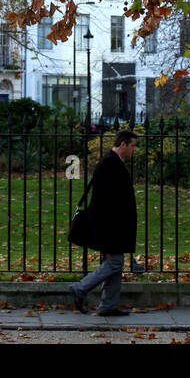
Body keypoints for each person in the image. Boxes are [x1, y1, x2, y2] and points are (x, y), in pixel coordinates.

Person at [69, 129, 138, 316]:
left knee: (117, 262)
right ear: (123, 144)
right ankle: (81, 288)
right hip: (110, 226)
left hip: (113, 225)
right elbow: (105, 200)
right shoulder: (109, 164)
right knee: (115, 263)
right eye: (132, 145)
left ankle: (107, 306)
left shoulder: (112, 162)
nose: (134, 150)